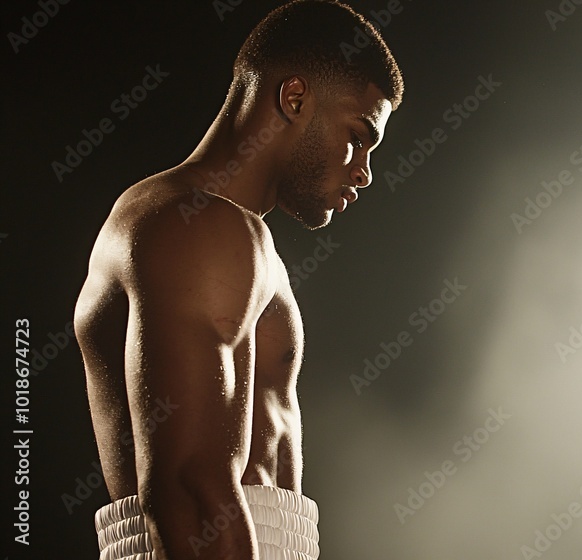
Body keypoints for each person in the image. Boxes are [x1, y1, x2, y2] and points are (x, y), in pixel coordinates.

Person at [73, 1, 403, 558]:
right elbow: (191, 493)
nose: (365, 171)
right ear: (294, 98)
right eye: (358, 135)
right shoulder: (198, 225)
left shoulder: (227, 232)